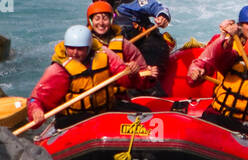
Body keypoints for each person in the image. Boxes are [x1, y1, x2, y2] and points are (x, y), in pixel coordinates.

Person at [27, 25, 156, 126]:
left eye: (80, 49)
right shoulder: (58, 69)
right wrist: (35, 110)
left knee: (145, 114)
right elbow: (36, 98)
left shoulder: (104, 55)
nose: (75, 53)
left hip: (105, 110)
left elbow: (125, 78)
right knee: (95, 122)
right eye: (70, 48)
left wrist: (132, 72)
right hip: (73, 117)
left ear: (88, 47)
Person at [86, 0, 173, 71]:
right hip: (124, 50)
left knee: (150, 71)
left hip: (148, 44)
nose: (99, 0)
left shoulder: (129, 0)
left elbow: (157, 7)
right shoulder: (94, 14)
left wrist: (162, 16)